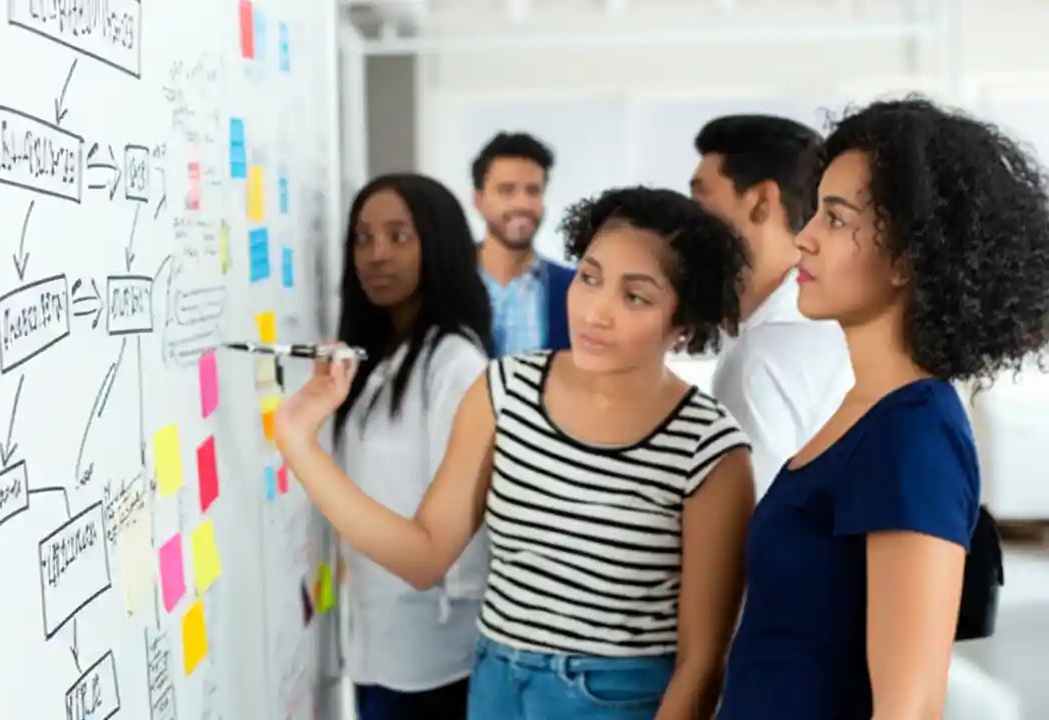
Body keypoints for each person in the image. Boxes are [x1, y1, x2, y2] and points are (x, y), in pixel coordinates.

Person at [276, 187, 756, 719]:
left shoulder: (709, 448)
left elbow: (702, 663)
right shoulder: (504, 390)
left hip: (617, 699)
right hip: (496, 686)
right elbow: (424, 555)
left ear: (684, 323)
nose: (597, 311)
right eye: (590, 277)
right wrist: (298, 441)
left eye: (635, 297)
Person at [717, 97, 1049, 719]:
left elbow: (909, 707)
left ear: (906, 257)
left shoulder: (912, 434)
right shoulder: (866, 409)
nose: (804, 237)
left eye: (836, 220)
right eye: (816, 211)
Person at [329, 174, 494, 719]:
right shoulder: (378, 357)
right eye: (363, 237)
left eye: (399, 236)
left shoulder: (454, 364)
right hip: (376, 640)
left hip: (436, 652)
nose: (376, 255)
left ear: (438, 243)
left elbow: (448, 542)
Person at [690, 114, 853, 497]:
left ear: (762, 201)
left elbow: (751, 527)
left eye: (701, 197)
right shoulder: (824, 323)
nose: (687, 220)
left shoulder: (766, 353)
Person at [471, 132, 575, 355]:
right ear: (479, 200)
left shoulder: (571, 288)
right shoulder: (445, 282)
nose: (522, 203)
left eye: (533, 191)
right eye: (507, 190)